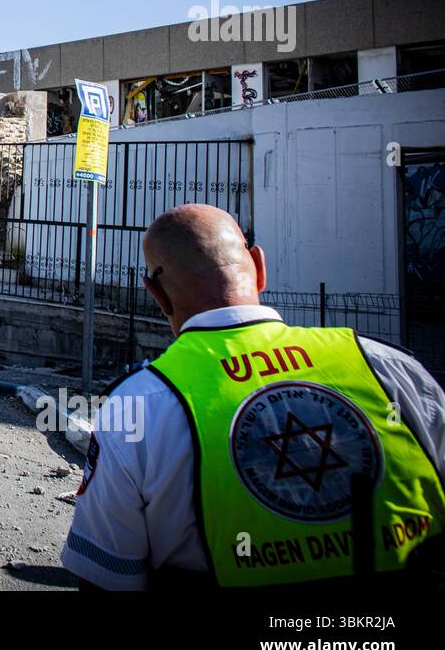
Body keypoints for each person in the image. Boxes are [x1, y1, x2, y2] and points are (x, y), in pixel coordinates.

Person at [61, 203, 445, 590]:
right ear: (259, 268)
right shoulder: (387, 367)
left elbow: (106, 578)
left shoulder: (138, 405)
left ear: (157, 294)